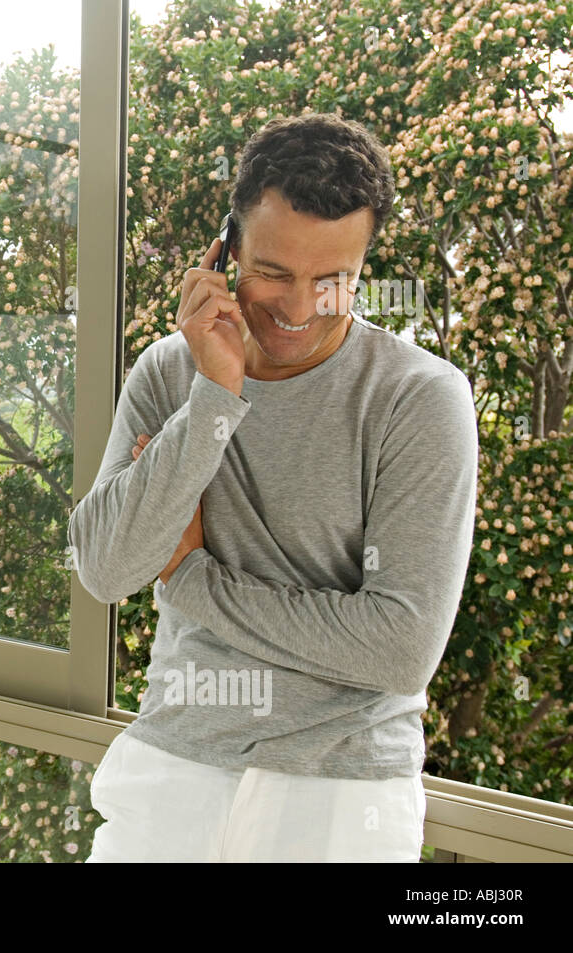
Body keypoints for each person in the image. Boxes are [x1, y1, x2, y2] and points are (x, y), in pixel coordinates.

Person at [69, 113, 478, 862]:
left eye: (334, 282)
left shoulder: (420, 399)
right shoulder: (171, 370)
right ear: (225, 250)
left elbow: (400, 650)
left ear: (364, 266)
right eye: (275, 273)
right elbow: (106, 569)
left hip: (340, 793)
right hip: (172, 768)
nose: (297, 309)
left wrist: (191, 576)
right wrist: (214, 398)